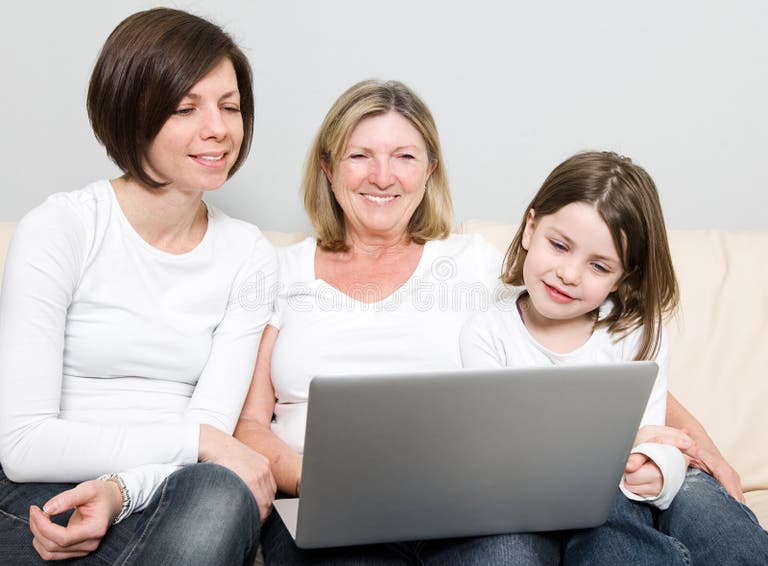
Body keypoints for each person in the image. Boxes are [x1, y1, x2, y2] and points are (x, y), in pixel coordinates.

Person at [234, 79, 562, 564]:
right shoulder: (279, 271)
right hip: (329, 512)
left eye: (405, 157)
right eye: (360, 155)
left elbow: (573, 346)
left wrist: (676, 428)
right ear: (328, 168)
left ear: (429, 170)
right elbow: (248, 424)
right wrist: (311, 477)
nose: (382, 177)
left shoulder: (473, 263)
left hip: (464, 509)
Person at [0, 8, 277, 564]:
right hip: (43, 494)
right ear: (131, 113)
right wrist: (195, 441)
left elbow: (215, 437)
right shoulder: (61, 228)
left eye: (230, 107)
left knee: (223, 493)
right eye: (185, 108)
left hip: (168, 494)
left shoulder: (249, 255)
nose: (218, 129)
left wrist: (121, 491)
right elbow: (22, 445)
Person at [460, 151, 768, 564]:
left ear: (624, 276)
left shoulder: (636, 333)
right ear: (531, 227)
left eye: (599, 266)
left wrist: (656, 470)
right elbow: (502, 455)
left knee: (692, 523)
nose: (569, 274)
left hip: (623, 496)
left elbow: (657, 440)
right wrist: (614, 450)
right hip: (540, 502)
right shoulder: (486, 332)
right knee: (609, 527)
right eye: (559, 245)